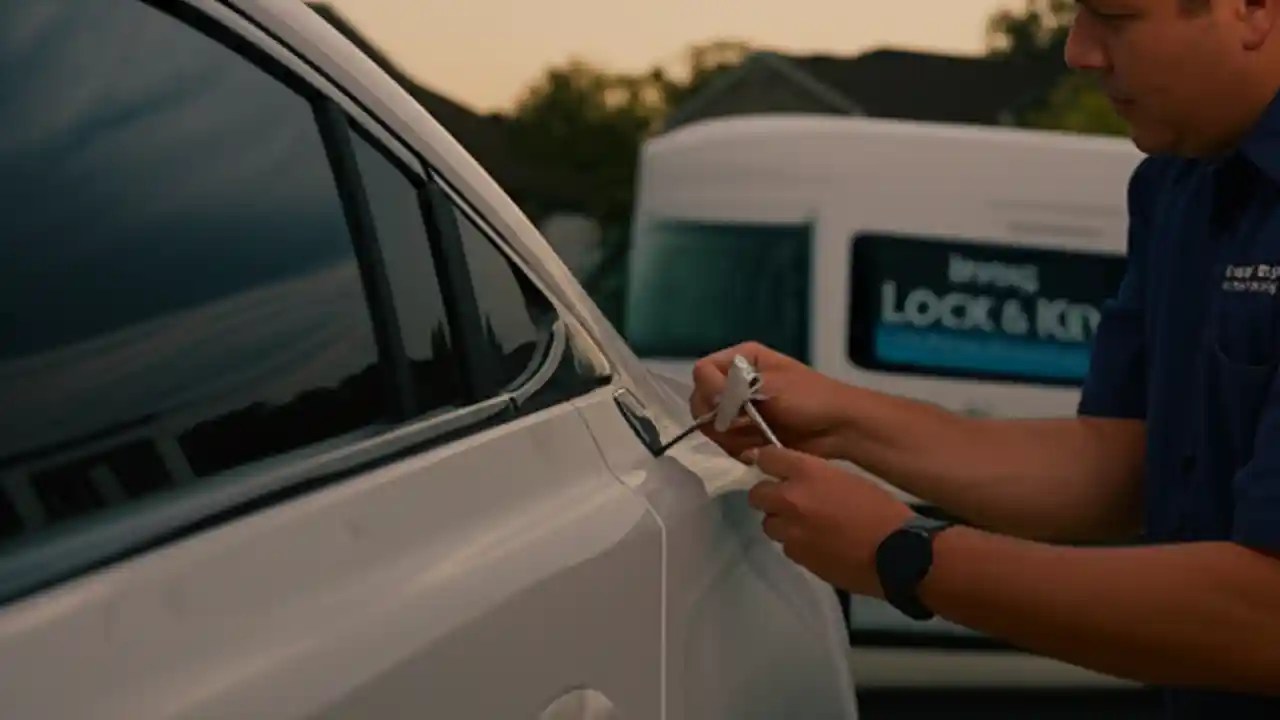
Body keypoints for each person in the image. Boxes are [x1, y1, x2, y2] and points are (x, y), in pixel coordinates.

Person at [689, 1, 1280, 716]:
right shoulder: (1180, 183)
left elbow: (1264, 617)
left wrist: (905, 556)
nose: (1078, 52)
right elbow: (1119, 467)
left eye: (1114, 17)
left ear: (1252, 10)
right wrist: (842, 418)